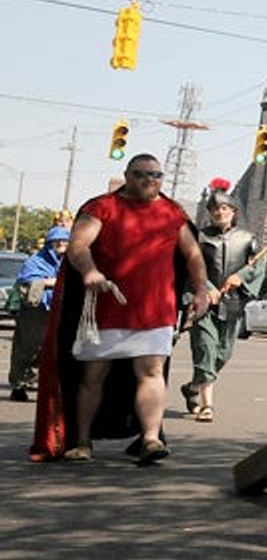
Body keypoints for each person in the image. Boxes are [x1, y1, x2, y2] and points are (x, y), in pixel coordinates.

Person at [29, 153, 209, 464]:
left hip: (155, 311)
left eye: (156, 175)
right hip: (105, 310)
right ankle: (82, 440)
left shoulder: (171, 213)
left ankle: (151, 439)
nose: (150, 180)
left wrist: (202, 290)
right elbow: (78, 245)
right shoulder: (102, 208)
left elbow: (192, 255)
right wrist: (89, 272)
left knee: (151, 373)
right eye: (142, 174)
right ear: (127, 176)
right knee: (93, 376)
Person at [179, 187, 264, 423]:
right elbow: (189, 266)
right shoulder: (199, 237)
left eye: (224, 208)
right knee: (206, 348)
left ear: (233, 212)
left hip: (233, 304)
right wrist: (205, 287)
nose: (219, 212)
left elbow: (258, 266)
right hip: (204, 304)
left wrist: (242, 277)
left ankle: (193, 386)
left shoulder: (248, 239)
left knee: (223, 354)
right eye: (215, 208)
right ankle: (207, 405)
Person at [8, 226, 70, 402]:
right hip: (36, 312)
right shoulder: (35, 261)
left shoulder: (71, 260)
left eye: (64, 240)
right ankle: (19, 385)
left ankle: (45, 385)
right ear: (49, 242)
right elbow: (26, 279)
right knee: (27, 348)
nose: (60, 243)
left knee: (55, 350)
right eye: (56, 240)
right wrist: (53, 282)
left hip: (60, 310)